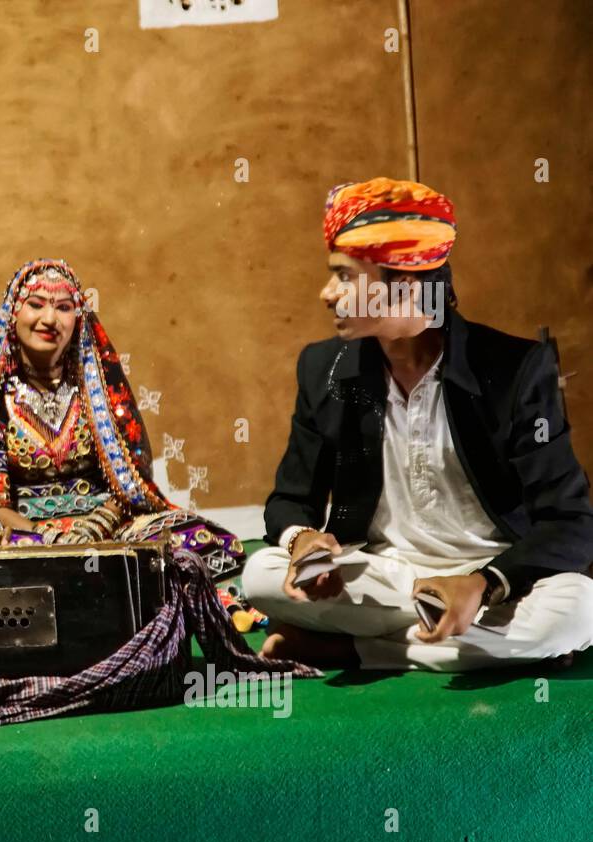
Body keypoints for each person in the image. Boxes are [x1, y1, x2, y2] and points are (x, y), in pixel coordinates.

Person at [242, 177, 593, 671]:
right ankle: (465, 646)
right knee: (260, 573)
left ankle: (352, 650)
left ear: (404, 284)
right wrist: (305, 544)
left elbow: (572, 522)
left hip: (491, 581)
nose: (327, 293)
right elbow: (289, 500)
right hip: (387, 575)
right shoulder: (323, 370)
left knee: (578, 610)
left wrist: (482, 584)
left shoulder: (514, 370)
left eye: (344, 277)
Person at [0, 258, 245, 579]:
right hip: (30, 536)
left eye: (64, 307)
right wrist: (50, 539)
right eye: (36, 305)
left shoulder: (98, 390)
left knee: (206, 544)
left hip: (106, 527)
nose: (49, 319)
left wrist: (98, 524)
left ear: (78, 319)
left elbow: (130, 485)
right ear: (13, 313)